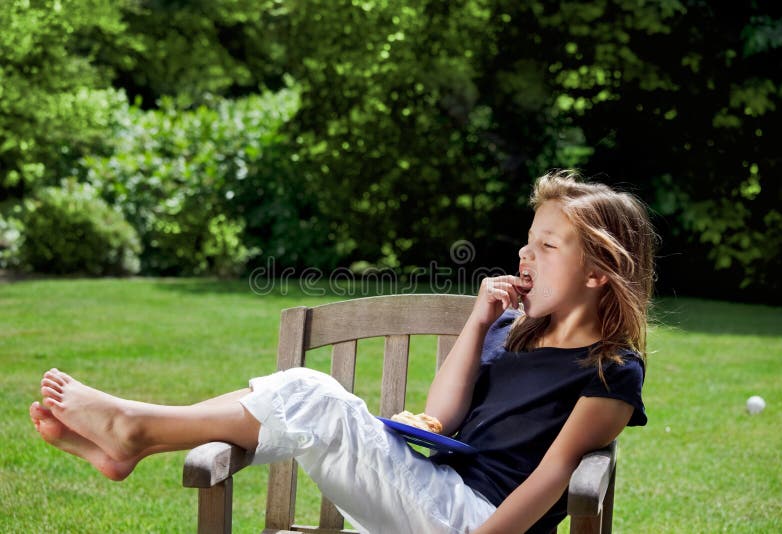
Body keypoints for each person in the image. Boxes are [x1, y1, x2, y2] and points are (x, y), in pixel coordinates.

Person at [30, 169, 655, 534]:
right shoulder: (512, 329)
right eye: (528, 241)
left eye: (547, 246)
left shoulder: (612, 372)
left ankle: (136, 432)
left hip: (472, 520)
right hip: (431, 493)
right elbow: (441, 418)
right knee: (304, 395)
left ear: (599, 270)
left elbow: (553, 476)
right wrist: (478, 321)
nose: (524, 255)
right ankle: (135, 438)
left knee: (310, 393)